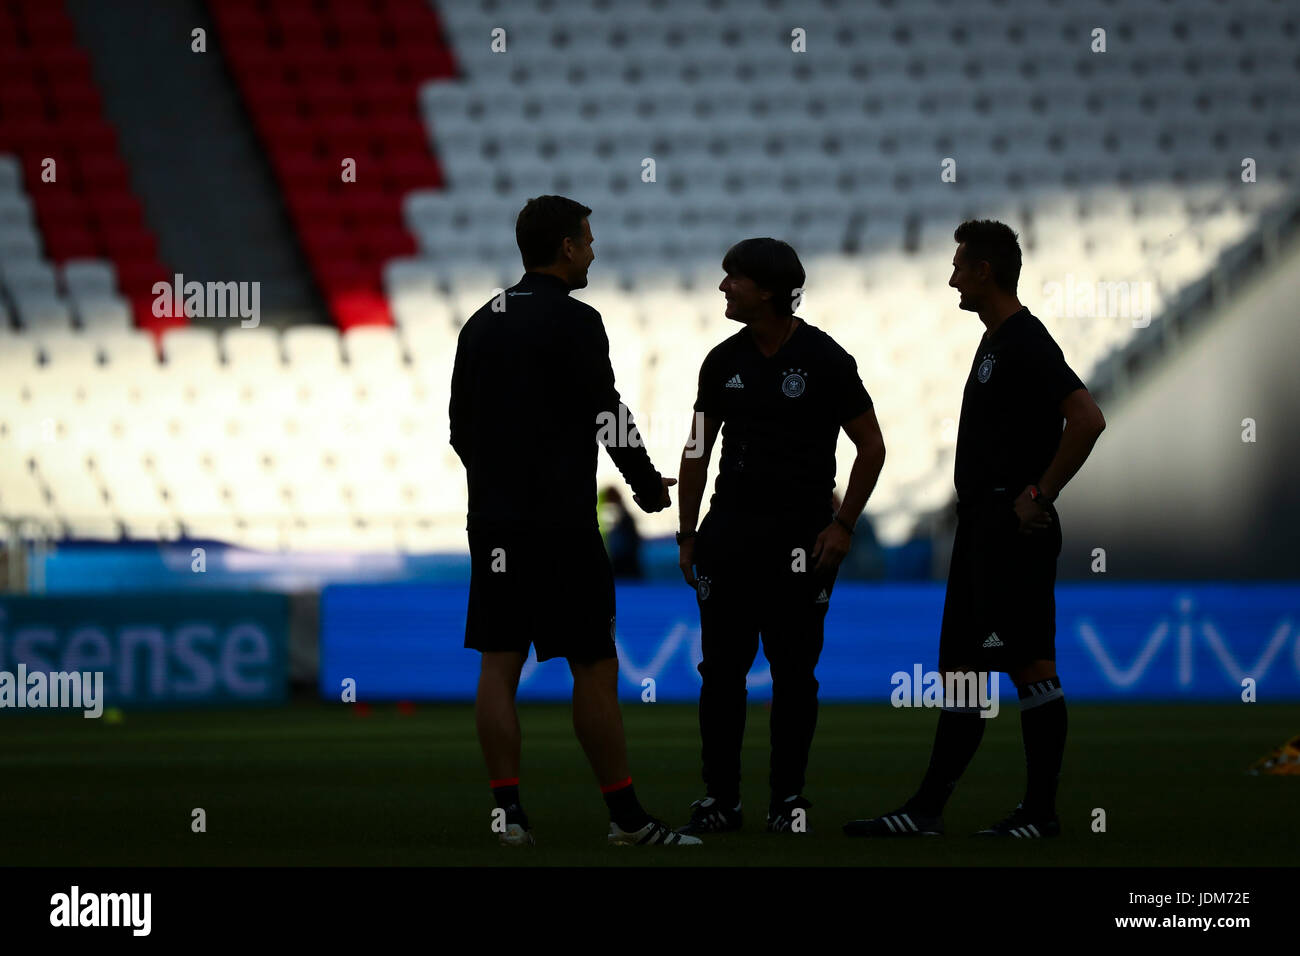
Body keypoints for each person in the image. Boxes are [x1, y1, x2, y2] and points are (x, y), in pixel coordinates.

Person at [449, 195, 699, 847]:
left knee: (498, 665)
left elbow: (459, 431)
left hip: (496, 526)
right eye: (587, 240)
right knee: (592, 663)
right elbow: (606, 412)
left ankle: (508, 816)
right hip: (562, 527)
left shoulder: (481, 322)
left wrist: (499, 487)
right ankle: (626, 819)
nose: (593, 250)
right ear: (565, 247)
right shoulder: (578, 322)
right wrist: (645, 485)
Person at [844, 219, 1105, 839]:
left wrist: (1039, 493)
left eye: (960, 264)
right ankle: (928, 810)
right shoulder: (996, 341)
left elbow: (1087, 418)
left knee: (1031, 664)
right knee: (965, 668)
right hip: (983, 527)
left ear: (985, 270)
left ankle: (1039, 814)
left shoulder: (1024, 339)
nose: (952, 275)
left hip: (1010, 529)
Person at [674, 238, 886, 834]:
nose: (722, 288)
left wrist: (843, 525)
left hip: (804, 540)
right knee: (721, 673)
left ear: (766, 289)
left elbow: (872, 447)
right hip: (730, 534)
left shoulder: (825, 358)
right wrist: (688, 535)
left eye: (731, 278)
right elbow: (695, 450)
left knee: (794, 675)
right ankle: (721, 800)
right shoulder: (721, 362)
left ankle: (787, 800)